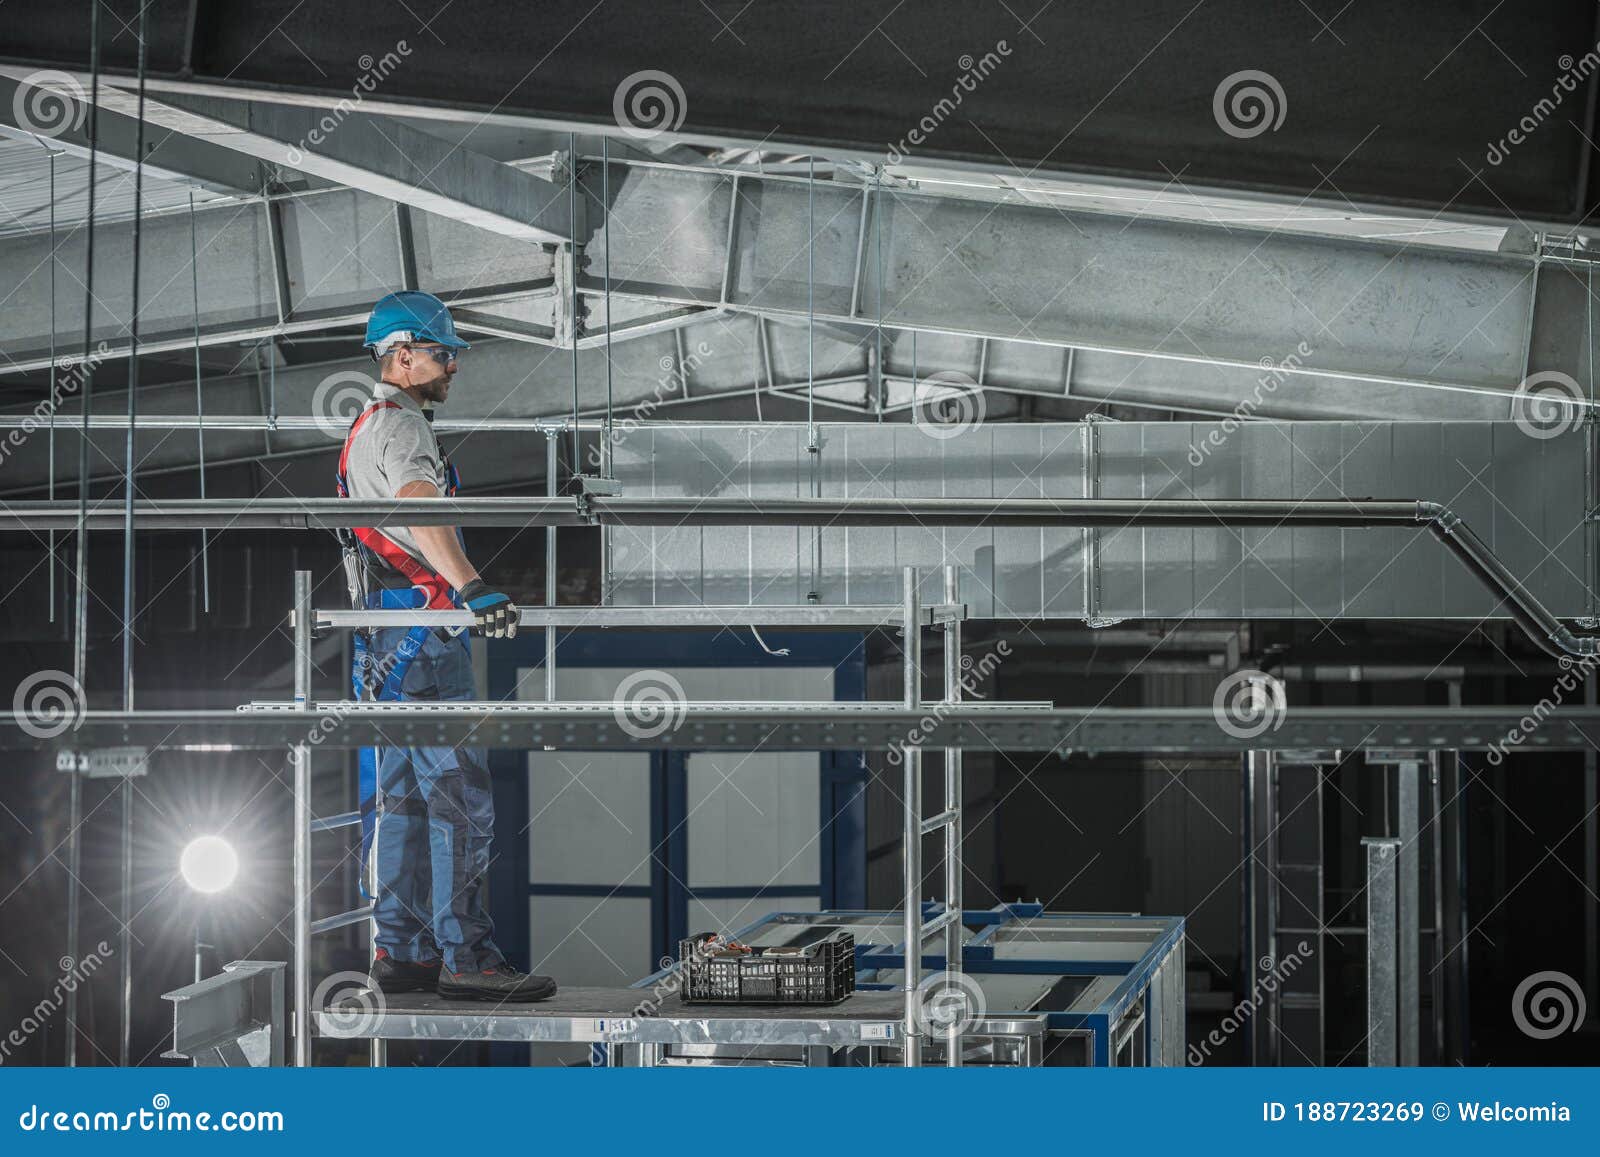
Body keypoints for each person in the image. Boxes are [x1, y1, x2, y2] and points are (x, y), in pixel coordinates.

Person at [337, 290, 555, 1002]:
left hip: (380, 632)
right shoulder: (400, 428)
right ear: (401, 356)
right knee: (458, 794)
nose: (453, 364)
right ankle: (467, 955)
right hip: (425, 627)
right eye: (441, 351)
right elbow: (418, 502)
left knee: (400, 797)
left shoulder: (368, 424)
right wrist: (469, 585)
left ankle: (402, 951)